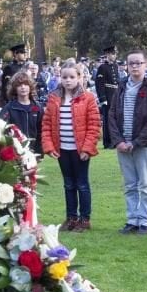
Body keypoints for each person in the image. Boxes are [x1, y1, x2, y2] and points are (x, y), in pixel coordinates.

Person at [107, 50, 147, 235]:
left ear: (146, 64)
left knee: (146, 184)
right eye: (131, 63)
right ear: (126, 66)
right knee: (130, 185)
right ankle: (132, 219)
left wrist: (137, 142)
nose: (135, 66)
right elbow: (112, 116)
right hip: (123, 144)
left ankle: (146, 221)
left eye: (138, 63)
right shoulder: (121, 88)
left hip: (144, 145)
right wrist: (118, 141)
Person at [41, 60, 100, 231]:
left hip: (80, 150)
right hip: (62, 149)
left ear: (79, 78)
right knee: (68, 184)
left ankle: (85, 219)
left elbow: (94, 125)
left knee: (82, 184)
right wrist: (49, 146)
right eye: (64, 77)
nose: (68, 80)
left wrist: (87, 148)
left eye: (72, 77)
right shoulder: (54, 98)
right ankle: (71, 217)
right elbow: (46, 124)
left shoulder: (88, 98)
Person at [0, 71, 43, 156]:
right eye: (19, 85)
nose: (23, 87)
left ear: (30, 86)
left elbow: (41, 131)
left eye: (25, 84)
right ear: (14, 88)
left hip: (33, 151)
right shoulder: (9, 108)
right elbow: (2, 130)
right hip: (15, 151)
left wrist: (39, 151)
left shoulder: (38, 107)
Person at [94, 45, 120, 148]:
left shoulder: (115, 66)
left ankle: (114, 140)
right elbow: (99, 84)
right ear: (107, 54)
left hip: (115, 94)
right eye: (112, 54)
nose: (114, 56)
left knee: (115, 119)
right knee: (107, 119)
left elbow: (117, 81)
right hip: (107, 95)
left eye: (115, 54)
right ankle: (107, 142)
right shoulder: (102, 67)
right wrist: (102, 98)